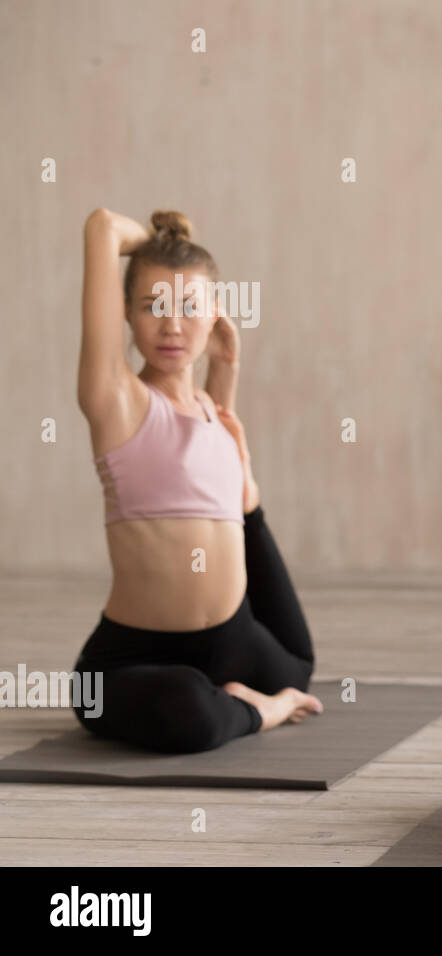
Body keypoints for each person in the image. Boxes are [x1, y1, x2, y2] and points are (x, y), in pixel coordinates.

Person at [73, 208, 322, 754]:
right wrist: (162, 238)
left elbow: (208, 477)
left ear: (213, 316)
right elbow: (101, 227)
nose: (171, 324)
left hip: (228, 639)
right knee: (189, 707)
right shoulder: (118, 402)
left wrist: (226, 379)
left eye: (189, 308)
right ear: (126, 315)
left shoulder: (212, 408)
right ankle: (257, 709)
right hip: (136, 657)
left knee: (298, 669)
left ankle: (232, 695)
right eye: (152, 306)